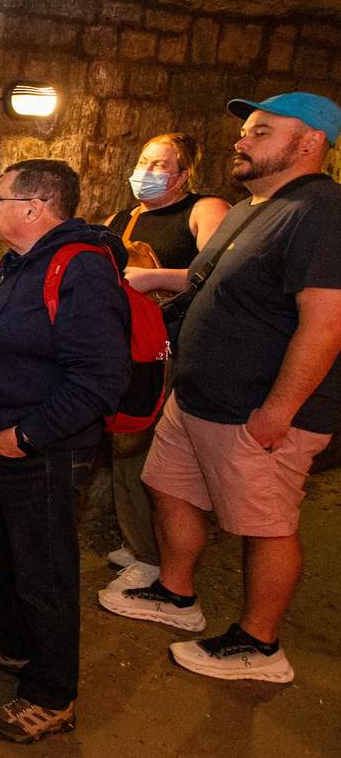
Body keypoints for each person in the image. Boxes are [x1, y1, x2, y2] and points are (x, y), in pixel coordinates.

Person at [100, 93, 341, 684]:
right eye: (245, 131)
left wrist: (278, 412)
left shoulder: (321, 212)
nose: (242, 140)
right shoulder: (250, 208)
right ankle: (177, 595)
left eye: (261, 131)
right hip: (201, 397)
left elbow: (326, 322)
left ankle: (260, 645)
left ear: (309, 142)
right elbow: (212, 284)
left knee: (267, 524)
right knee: (169, 487)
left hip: (255, 407)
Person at [0, 159, 130, 744]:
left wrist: (25, 436)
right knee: (8, 551)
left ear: (35, 207)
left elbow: (101, 379)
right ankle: (14, 644)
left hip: (41, 450)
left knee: (44, 569)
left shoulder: (81, 269)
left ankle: (53, 696)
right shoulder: (21, 262)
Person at [98, 134, 229, 594]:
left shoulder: (203, 209)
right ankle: (138, 542)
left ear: (184, 174)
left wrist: (155, 277)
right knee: (124, 443)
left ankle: (154, 558)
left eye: (159, 163)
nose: (146, 170)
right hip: (125, 345)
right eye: (142, 160)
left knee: (150, 452)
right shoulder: (124, 217)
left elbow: (217, 273)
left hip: (167, 347)